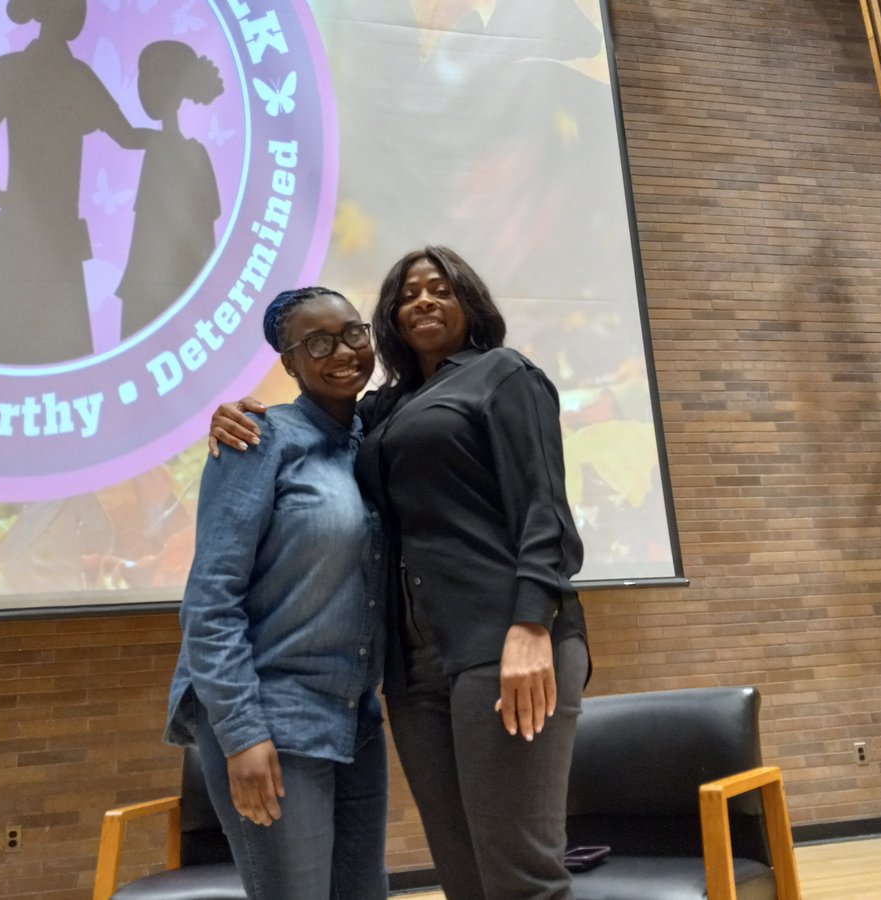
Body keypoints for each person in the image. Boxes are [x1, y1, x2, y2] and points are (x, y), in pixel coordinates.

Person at [209, 246, 590, 899]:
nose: (423, 301)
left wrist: (531, 628)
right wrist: (243, 417)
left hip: (503, 646)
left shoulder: (505, 375)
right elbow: (317, 422)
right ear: (390, 319)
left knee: (519, 876)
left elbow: (546, 518)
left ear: (469, 302)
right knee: (463, 876)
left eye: (440, 289)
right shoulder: (385, 410)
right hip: (413, 672)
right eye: (408, 294)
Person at [166, 286, 389, 899]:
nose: (342, 350)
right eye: (317, 342)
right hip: (273, 718)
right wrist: (241, 733)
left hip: (356, 719)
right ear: (289, 363)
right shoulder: (258, 441)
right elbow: (210, 603)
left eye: (353, 333)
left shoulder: (377, 438)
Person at [0, 0, 145, 364]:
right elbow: (129, 137)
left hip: (35, 234)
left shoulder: (15, 70)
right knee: (52, 354)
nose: (82, 14)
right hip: (50, 239)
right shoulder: (74, 76)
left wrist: (0, 197)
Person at [117, 40, 223, 339]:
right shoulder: (157, 145)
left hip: (178, 290)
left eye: (149, 76)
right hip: (144, 285)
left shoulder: (190, 153)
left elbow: (204, 236)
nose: (143, 86)